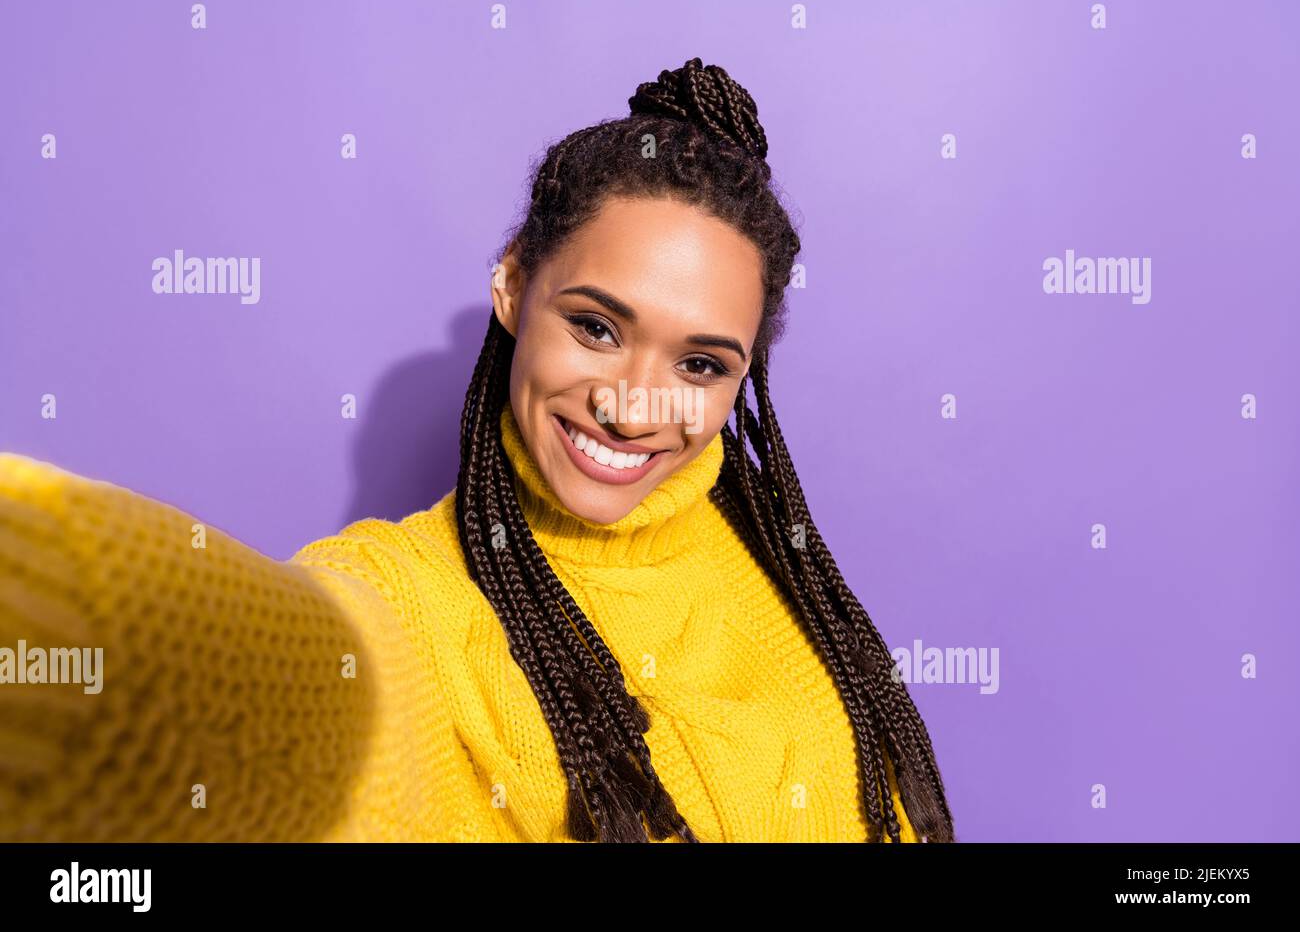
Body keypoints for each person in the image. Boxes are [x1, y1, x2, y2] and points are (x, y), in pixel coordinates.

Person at [0, 57, 955, 843]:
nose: (632, 407)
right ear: (512, 283)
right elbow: (254, 678)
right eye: (595, 328)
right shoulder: (402, 597)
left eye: (701, 362)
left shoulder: (787, 573)